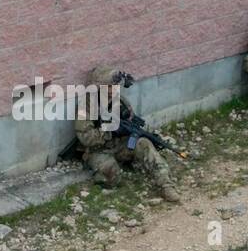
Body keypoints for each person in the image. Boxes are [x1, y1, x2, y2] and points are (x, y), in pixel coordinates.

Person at [73, 66, 181, 203]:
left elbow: (130, 121)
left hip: (119, 145)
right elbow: (86, 138)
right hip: (98, 151)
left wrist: (132, 131)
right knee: (112, 177)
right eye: (108, 87)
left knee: (144, 144)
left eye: (115, 87)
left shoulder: (121, 102)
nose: (113, 91)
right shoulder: (86, 106)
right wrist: (110, 131)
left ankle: (166, 185)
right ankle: (112, 171)